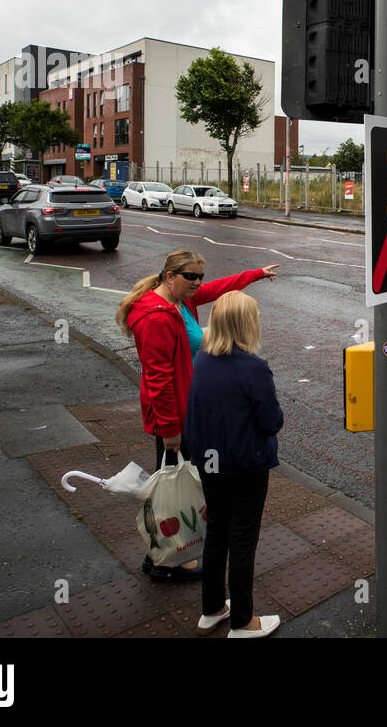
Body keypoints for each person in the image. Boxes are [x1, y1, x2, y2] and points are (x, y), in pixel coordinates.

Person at [116, 249, 279, 581]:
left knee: (178, 486)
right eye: (190, 276)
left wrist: (256, 274)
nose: (197, 283)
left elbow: (219, 287)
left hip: (188, 413)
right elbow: (158, 378)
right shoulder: (157, 318)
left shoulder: (181, 301)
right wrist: (170, 429)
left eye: (200, 276)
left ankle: (167, 555)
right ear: (170, 275)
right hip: (175, 418)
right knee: (173, 491)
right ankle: (164, 561)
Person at [184, 291, 283, 638]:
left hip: (210, 462)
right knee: (243, 539)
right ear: (246, 322)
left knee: (218, 533)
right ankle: (243, 621)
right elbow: (271, 421)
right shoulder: (253, 367)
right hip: (245, 464)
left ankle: (212, 608)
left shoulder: (202, 358)